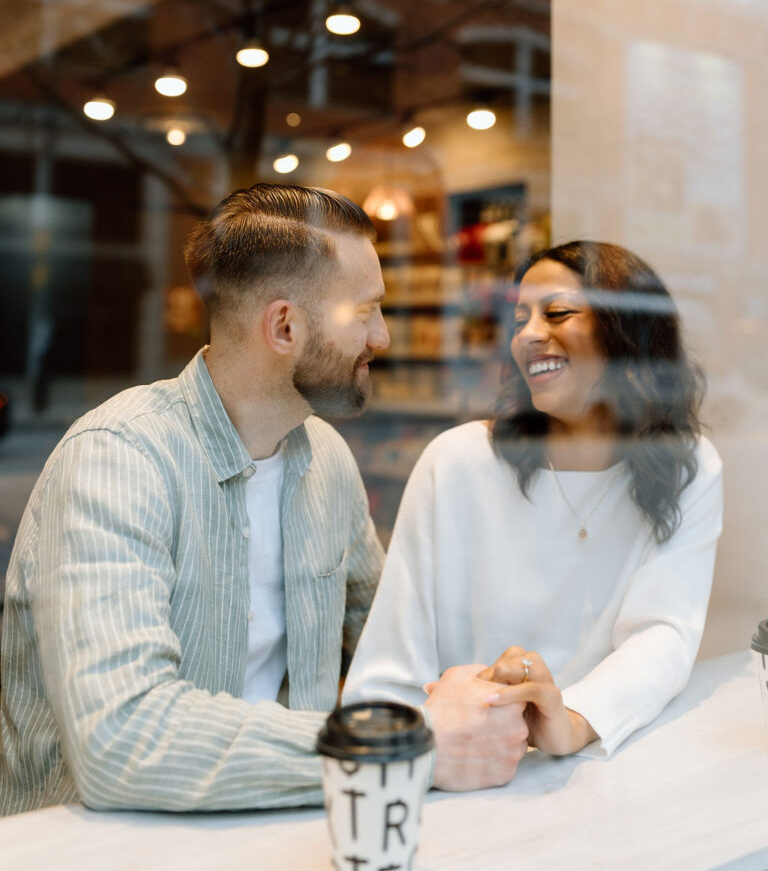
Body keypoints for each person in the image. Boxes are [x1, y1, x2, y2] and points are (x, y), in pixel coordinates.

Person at [0, 184, 527, 816]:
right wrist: (401, 745)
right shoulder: (117, 459)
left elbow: (396, 641)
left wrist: (502, 687)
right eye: (365, 311)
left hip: (281, 830)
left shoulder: (327, 460)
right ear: (284, 326)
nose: (382, 337)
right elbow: (122, 740)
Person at [344, 240, 724, 761]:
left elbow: (664, 634)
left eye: (558, 313)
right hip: (458, 774)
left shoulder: (689, 465)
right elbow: (389, 670)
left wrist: (571, 719)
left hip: (603, 768)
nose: (529, 335)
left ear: (627, 333)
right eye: (520, 318)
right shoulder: (458, 463)